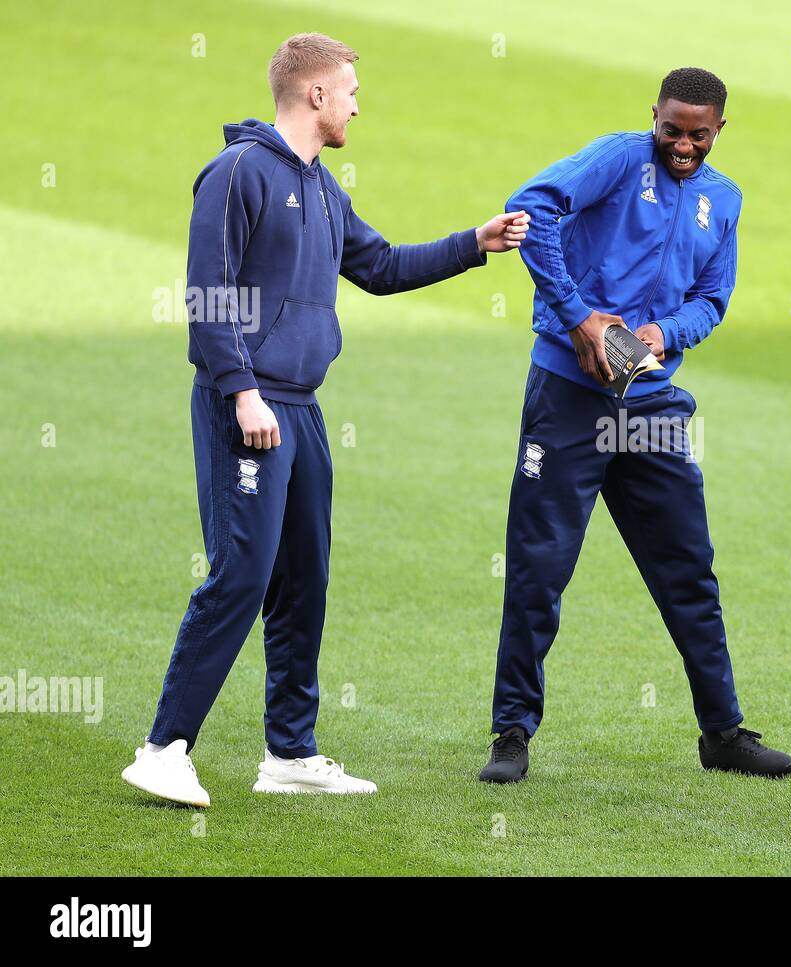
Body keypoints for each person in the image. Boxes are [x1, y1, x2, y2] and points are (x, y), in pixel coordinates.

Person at [121, 33, 529, 807]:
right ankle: (164, 746)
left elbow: (379, 267)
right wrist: (242, 391)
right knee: (241, 570)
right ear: (314, 96)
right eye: (348, 92)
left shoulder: (321, 185)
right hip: (246, 402)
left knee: (303, 575)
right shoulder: (237, 173)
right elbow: (207, 292)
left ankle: (290, 753)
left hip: (301, 408)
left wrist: (473, 244)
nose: (355, 105)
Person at [480, 67, 791, 783]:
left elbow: (713, 300)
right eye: (672, 129)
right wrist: (580, 316)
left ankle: (722, 732)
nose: (683, 145)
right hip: (567, 395)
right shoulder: (620, 158)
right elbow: (531, 207)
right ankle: (511, 733)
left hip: (650, 404)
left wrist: (658, 333)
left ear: (721, 127)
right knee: (538, 566)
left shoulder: (723, 199)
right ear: (654, 114)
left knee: (688, 567)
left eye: (699, 134)